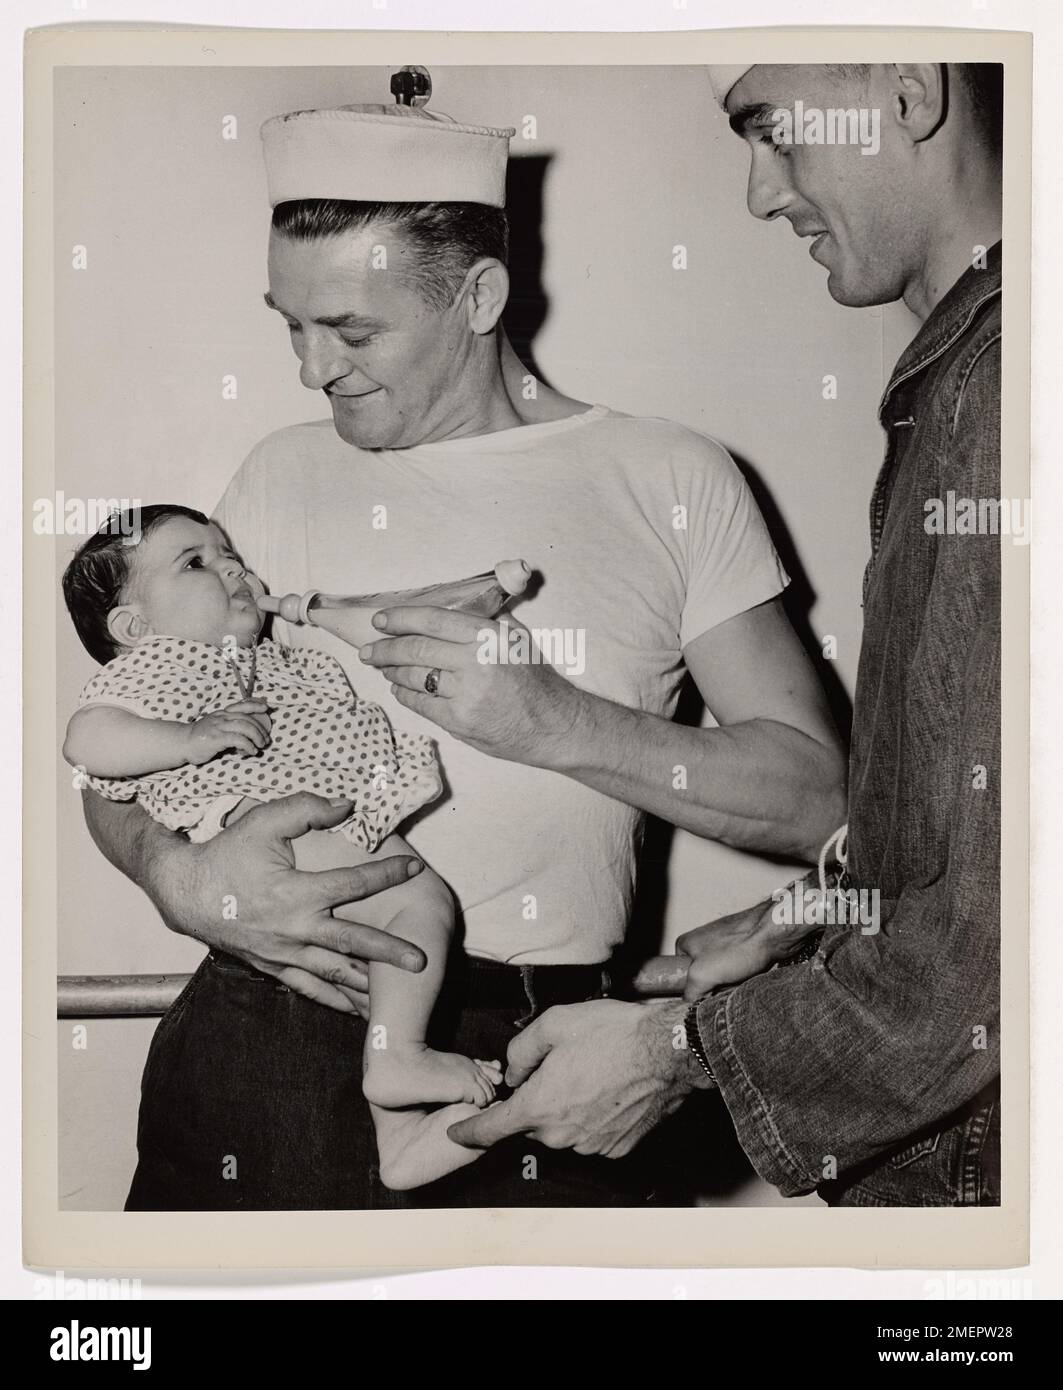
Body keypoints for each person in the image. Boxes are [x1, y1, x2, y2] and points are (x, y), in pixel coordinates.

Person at [81, 87, 846, 1208]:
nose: (310, 368)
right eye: (288, 324)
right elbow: (120, 757)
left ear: (478, 296)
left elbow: (821, 799)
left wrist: (554, 721)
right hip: (270, 1035)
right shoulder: (271, 479)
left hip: (554, 1058)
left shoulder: (669, 477)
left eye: (349, 330)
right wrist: (174, 873)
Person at [450, 62, 1003, 1208]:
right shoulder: (956, 387)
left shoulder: (1009, 396)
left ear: (906, 93)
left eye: (773, 133)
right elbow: (969, 809)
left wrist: (681, 1053)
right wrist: (811, 910)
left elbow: (993, 948)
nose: (759, 194)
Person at [61, 503, 507, 1186]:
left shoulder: (272, 663)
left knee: (402, 944)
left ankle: (401, 1130)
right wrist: (189, 739)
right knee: (415, 907)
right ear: (133, 626)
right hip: (267, 834)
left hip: (316, 831)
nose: (232, 566)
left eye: (229, 552)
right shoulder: (158, 665)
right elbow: (85, 742)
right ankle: (399, 1065)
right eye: (196, 562)